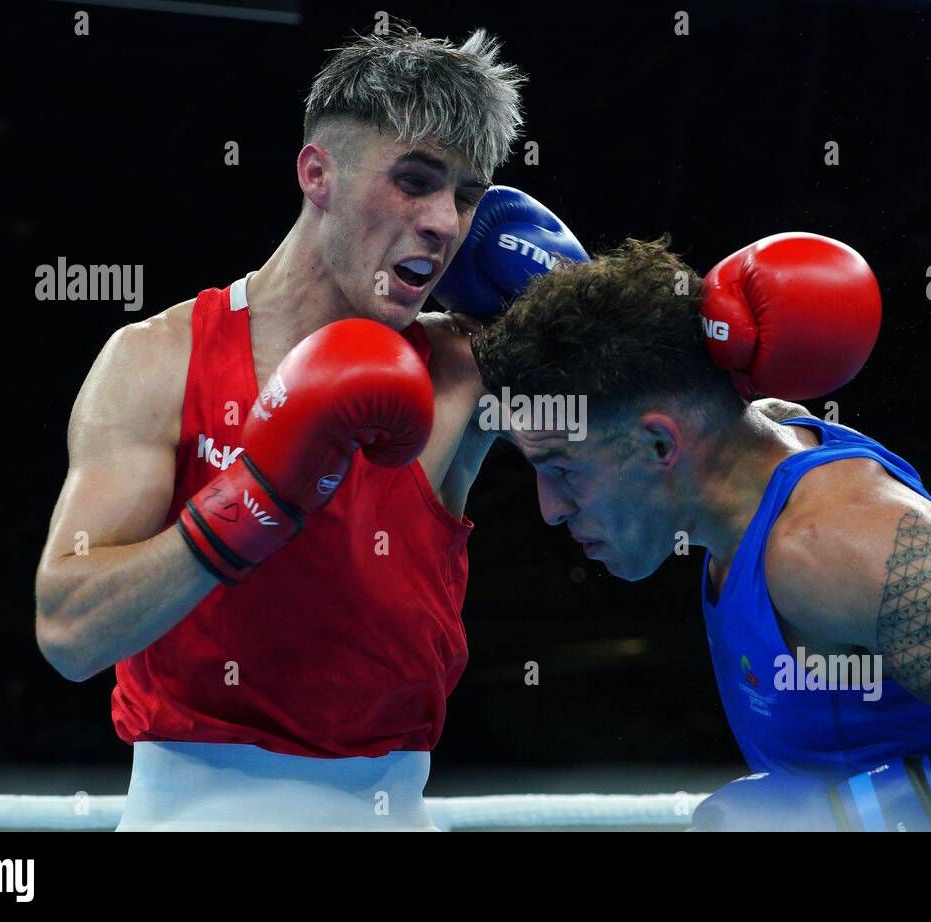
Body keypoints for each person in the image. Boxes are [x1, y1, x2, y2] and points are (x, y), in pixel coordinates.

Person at [33, 25, 582, 830]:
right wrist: (251, 504)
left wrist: (721, 368)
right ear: (317, 173)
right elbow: (70, 629)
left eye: (465, 196)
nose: (442, 221)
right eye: (414, 180)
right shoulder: (157, 361)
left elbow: (650, 459)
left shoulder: (463, 367)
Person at [471, 235, 931, 831]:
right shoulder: (747, 445)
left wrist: (840, 820)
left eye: (560, 467)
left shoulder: (827, 541)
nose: (549, 508)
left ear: (659, 447)